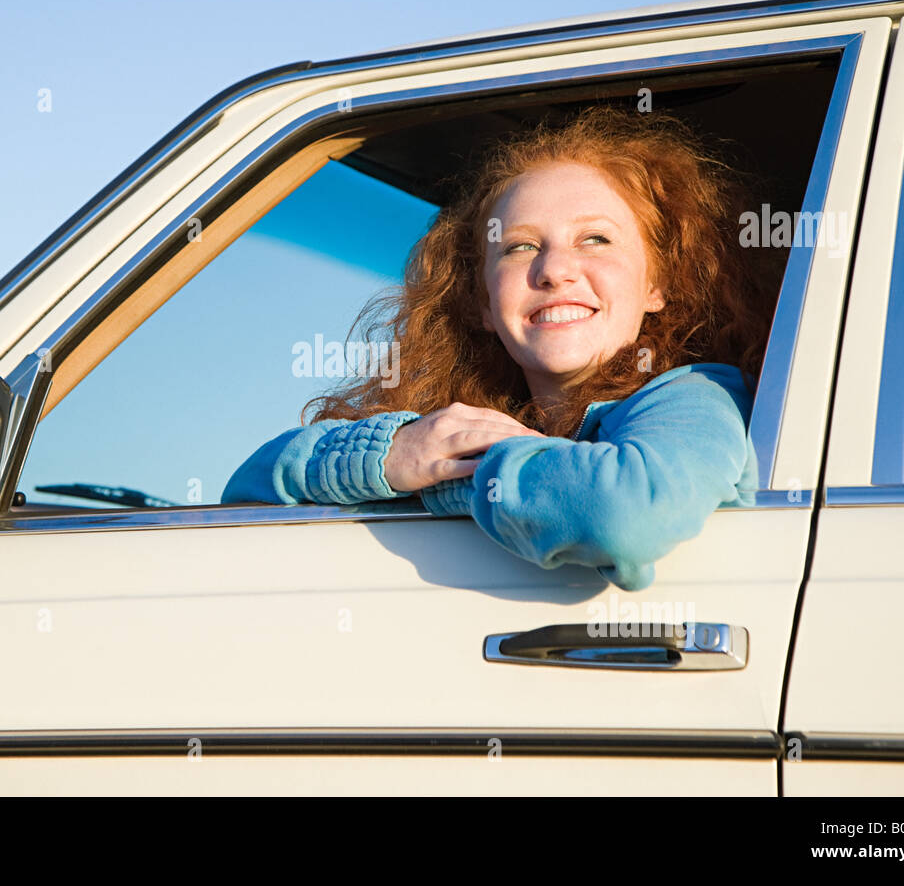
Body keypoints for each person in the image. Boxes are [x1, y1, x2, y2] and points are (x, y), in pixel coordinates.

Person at [221, 105, 778, 591]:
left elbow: (622, 519)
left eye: (595, 240)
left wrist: (451, 474)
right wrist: (393, 457)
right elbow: (248, 494)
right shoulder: (455, 422)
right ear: (484, 305)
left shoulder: (698, 395)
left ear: (657, 286)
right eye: (520, 246)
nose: (555, 269)